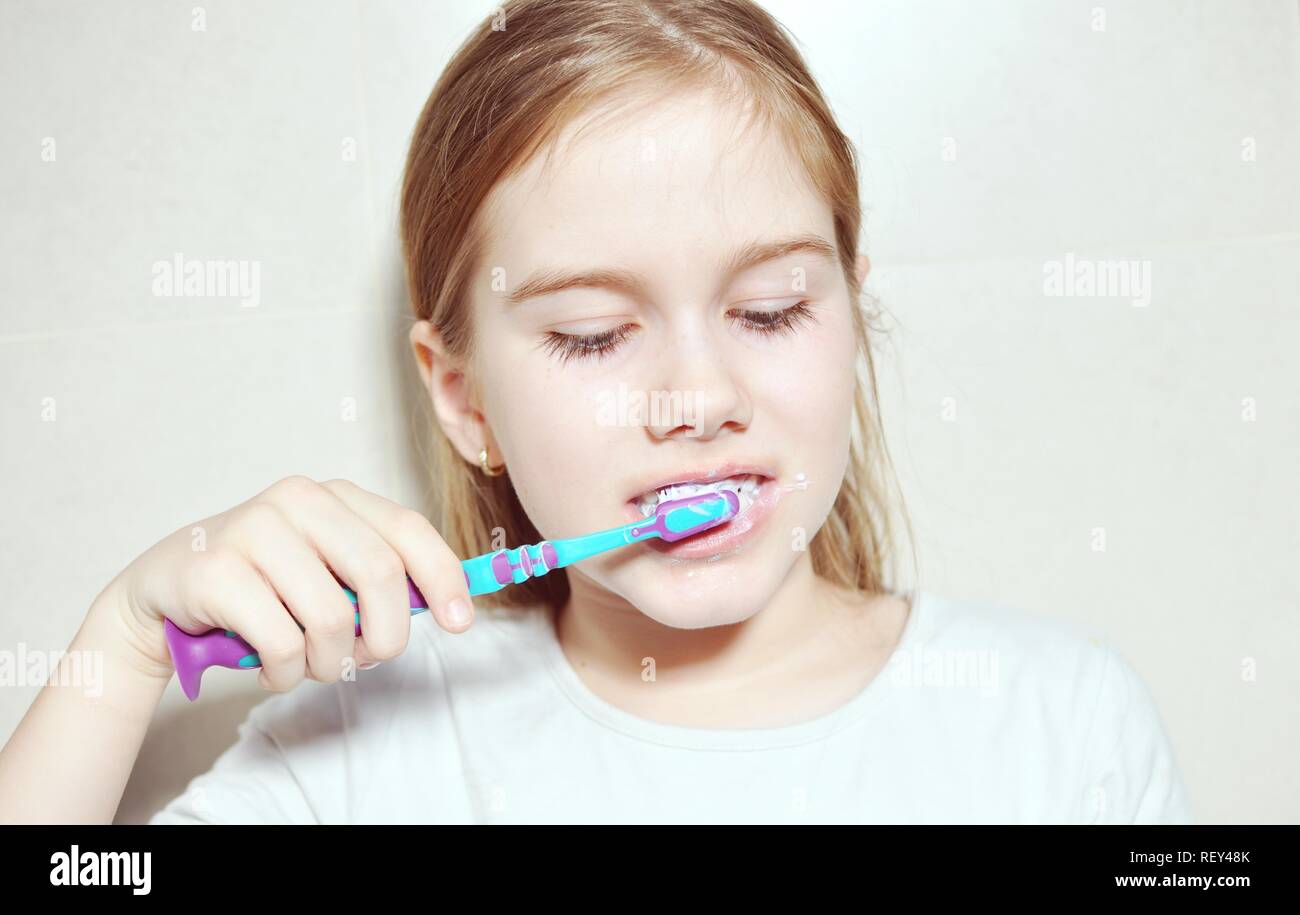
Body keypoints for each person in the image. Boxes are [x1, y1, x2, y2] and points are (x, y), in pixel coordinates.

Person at [0, 0, 1191, 825]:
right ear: (462, 398)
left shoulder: (1062, 729)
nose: (698, 399)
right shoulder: (362, 757)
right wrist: (122, 643)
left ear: (849, 316)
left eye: (771, 311)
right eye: (591, 335)